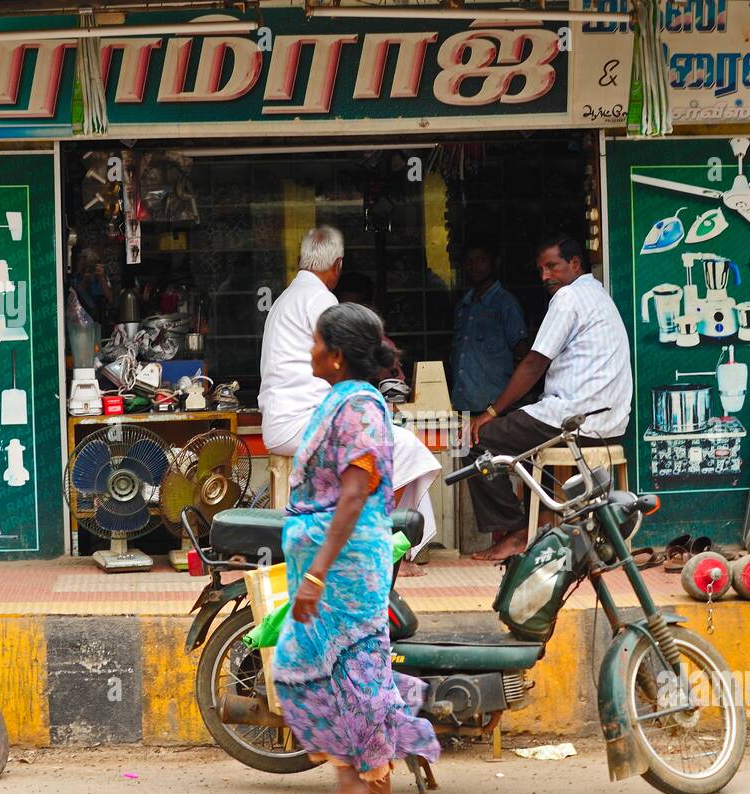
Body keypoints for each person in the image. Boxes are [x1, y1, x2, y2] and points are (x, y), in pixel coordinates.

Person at [274, 302, 441, 794]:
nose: (310, 351)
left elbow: (353, 496)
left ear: (338, 356)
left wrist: (316, 574)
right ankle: (347, 782)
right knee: (298, 669)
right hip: (325, 569)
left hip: (345, 574)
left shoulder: (361, 409)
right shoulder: (338, 400)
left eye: (318, 343)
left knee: (359, 683)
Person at [259, 227, 440, 559]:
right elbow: (341, 363)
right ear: (337, 265)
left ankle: (398, 542)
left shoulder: (285, 299)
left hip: (285, 421)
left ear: (302, 259)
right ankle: (394, 546)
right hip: (300, 423)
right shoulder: (320, 299)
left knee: (396, 444)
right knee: (405, 446)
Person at [465, 234, 632, 561]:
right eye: (541, 269)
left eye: (552, 266)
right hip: (608, 423)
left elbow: (534, 362)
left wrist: (492, 411)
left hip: (574, 419)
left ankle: (515, 532)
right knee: (524, 433)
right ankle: (540, 523)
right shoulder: (598, 294)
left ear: (574, 263)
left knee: (479, 439)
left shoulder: (568, 298)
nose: (545, 276)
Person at [450, 237, 528, 414]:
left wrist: (508, 402)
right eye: (469, 261)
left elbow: (522, 356)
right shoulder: (463, 306)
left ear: (496, 262)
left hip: (494, 408)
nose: (474, 266)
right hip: (461, 405)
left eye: (481, 259)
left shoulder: (506, 304)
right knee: (461, 442)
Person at [335, 271, 404, 383]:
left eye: (356, 310)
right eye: (344, 311)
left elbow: (396, 387)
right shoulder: (332, 344)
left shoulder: (383, 345)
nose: (350, 317)